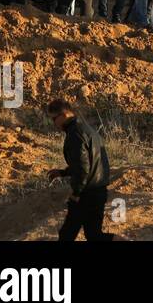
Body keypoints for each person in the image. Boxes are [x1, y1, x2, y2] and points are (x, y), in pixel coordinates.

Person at [46, 99, 115, 241]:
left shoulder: (75, 134)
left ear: (63, 115)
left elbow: (83, 168)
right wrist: (63, 172)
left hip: (86, 193)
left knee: (67, 235)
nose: (54, 123)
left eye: (54, 119)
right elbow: (86, 162)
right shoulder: (86, 129)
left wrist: (76, 192)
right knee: (95, 236)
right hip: (99, 190)